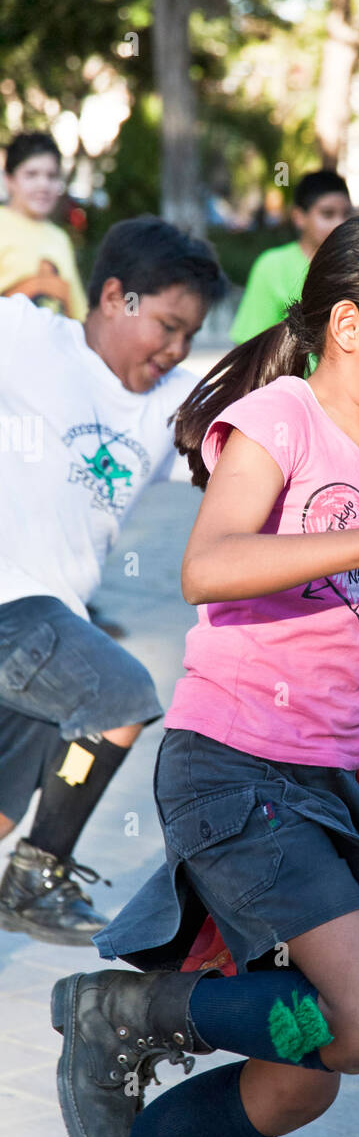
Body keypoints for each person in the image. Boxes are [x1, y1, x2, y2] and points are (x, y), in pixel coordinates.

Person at [0, 214, 359, 1137]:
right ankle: (127, 1008)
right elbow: (210, 565)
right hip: (232, 772)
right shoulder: (281, 417)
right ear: (348, 325)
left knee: (301, 1073)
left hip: (314, 788)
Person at [0, 217, 229, 946]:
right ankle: (38, 875)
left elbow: (254, 422)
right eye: (165, 325)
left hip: (51, 626)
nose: (175, 349)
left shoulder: (172, 402)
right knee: (120, 693)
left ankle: (21, 857)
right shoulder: (32, 341)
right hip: (12, 607)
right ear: (113, 298)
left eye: (190, 335)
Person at [229, 170, 353, 344]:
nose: (340, 223)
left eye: (346, 214)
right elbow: (249, 348)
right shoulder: (273, 266)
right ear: (299, 217)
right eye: (327, 214)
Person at [0, 132, 88, 320]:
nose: (43, 185)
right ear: (9, 180)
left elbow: (78, 312)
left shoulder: (60, 238)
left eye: (51, 176)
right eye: (31, 175)